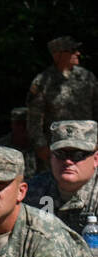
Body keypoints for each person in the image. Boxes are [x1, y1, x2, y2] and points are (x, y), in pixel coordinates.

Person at [25, 120, 98, 248]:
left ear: (95, 159)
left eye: (78, 155)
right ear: (51, 156)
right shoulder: (31, 192)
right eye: (60, 154)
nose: (68, 161)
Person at [26, 36, 97, 167]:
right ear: (57, 55)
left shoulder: (87, 78)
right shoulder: (42, 82)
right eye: (72, 50)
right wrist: (41, 146)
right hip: (57, 150)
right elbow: (34, 119)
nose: (78, 53)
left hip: (87, 145)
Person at [0, 107, 39, 179]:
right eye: (18, 124)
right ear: (12, 124)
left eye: (25, 124)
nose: (21, 127)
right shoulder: (2, 146)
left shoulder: (40, 144)